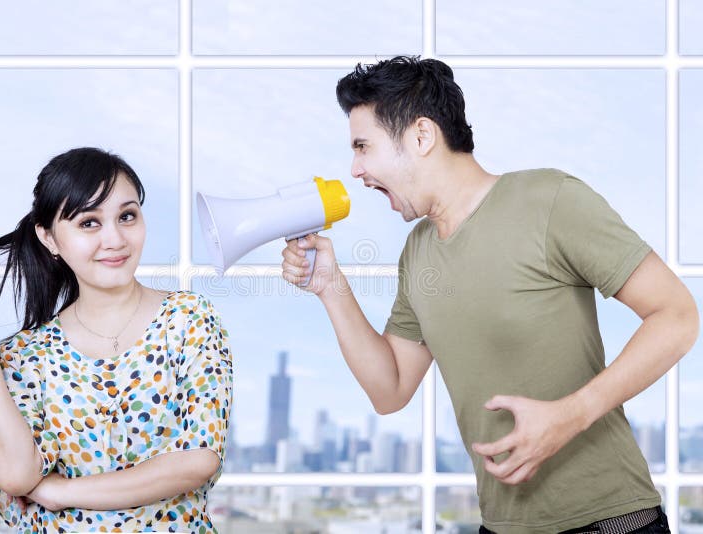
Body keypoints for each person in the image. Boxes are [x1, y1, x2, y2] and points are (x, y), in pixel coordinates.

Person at [281, 56, 698, 533]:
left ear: (421, 136)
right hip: (500, 525)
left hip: (609, 521)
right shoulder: (417, 253)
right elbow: (390, 389)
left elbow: (678, 316)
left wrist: (570, 415)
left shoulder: (550, 199)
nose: (355, 170)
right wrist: (329, 286)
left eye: (363, 147)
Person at [0, 147, 232, 533]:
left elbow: (198, 460)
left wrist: (64, 492)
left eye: (127, 216)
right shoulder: (25, 356)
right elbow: (14, 475)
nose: (115, 239)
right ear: (49, 238)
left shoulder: (188, 320)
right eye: (89, 223)